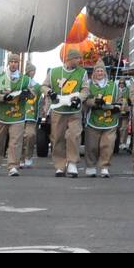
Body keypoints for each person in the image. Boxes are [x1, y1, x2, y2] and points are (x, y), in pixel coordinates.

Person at [0, 54, 33, 176]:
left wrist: (27, 94)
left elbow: (33, 94)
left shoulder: (25, 79)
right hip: (1, 114)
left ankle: (13, 166)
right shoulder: (0, 78)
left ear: (19, 64)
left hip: (17, 115)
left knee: (16, 141)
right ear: (8, 63)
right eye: (11, 61)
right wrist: (3, 97)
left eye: (16, 62)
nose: (13, 64)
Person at [47, 47, 88, 177]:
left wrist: (79, 98)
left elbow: (86, 89)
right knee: (57, 137)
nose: (79, 60)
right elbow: (44, 85)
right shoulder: (54, 72)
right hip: (58, 110)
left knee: (74, 135)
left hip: (74, 110)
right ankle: (59, 165)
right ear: (69, 59)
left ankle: (72, 163)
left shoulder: (82, 73)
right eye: (77, 58)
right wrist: (50, 93)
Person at [84, 63, 122, 178]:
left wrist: (118, 107)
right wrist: (94, 102)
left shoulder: (114, 86)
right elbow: (85, 100)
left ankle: (105, 167)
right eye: (97, 71)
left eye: (101, 71)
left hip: (110, 120)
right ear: (94, 73)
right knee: (92, 146)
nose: (100, 73)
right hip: (93, 120)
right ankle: (91, 166)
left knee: (108, 145)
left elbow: (120, 100)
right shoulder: (88, 85)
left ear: (105, 72)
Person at [22, 61, 41, 168]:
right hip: (18, 114)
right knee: (19, 138)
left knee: (30, 135)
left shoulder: (37, 86)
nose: (33, 72)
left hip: (31, 115)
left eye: (34, 70)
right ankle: (20, 158)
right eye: (31, 70)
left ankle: (28, 156)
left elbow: (41, 100)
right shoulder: (21, 83)